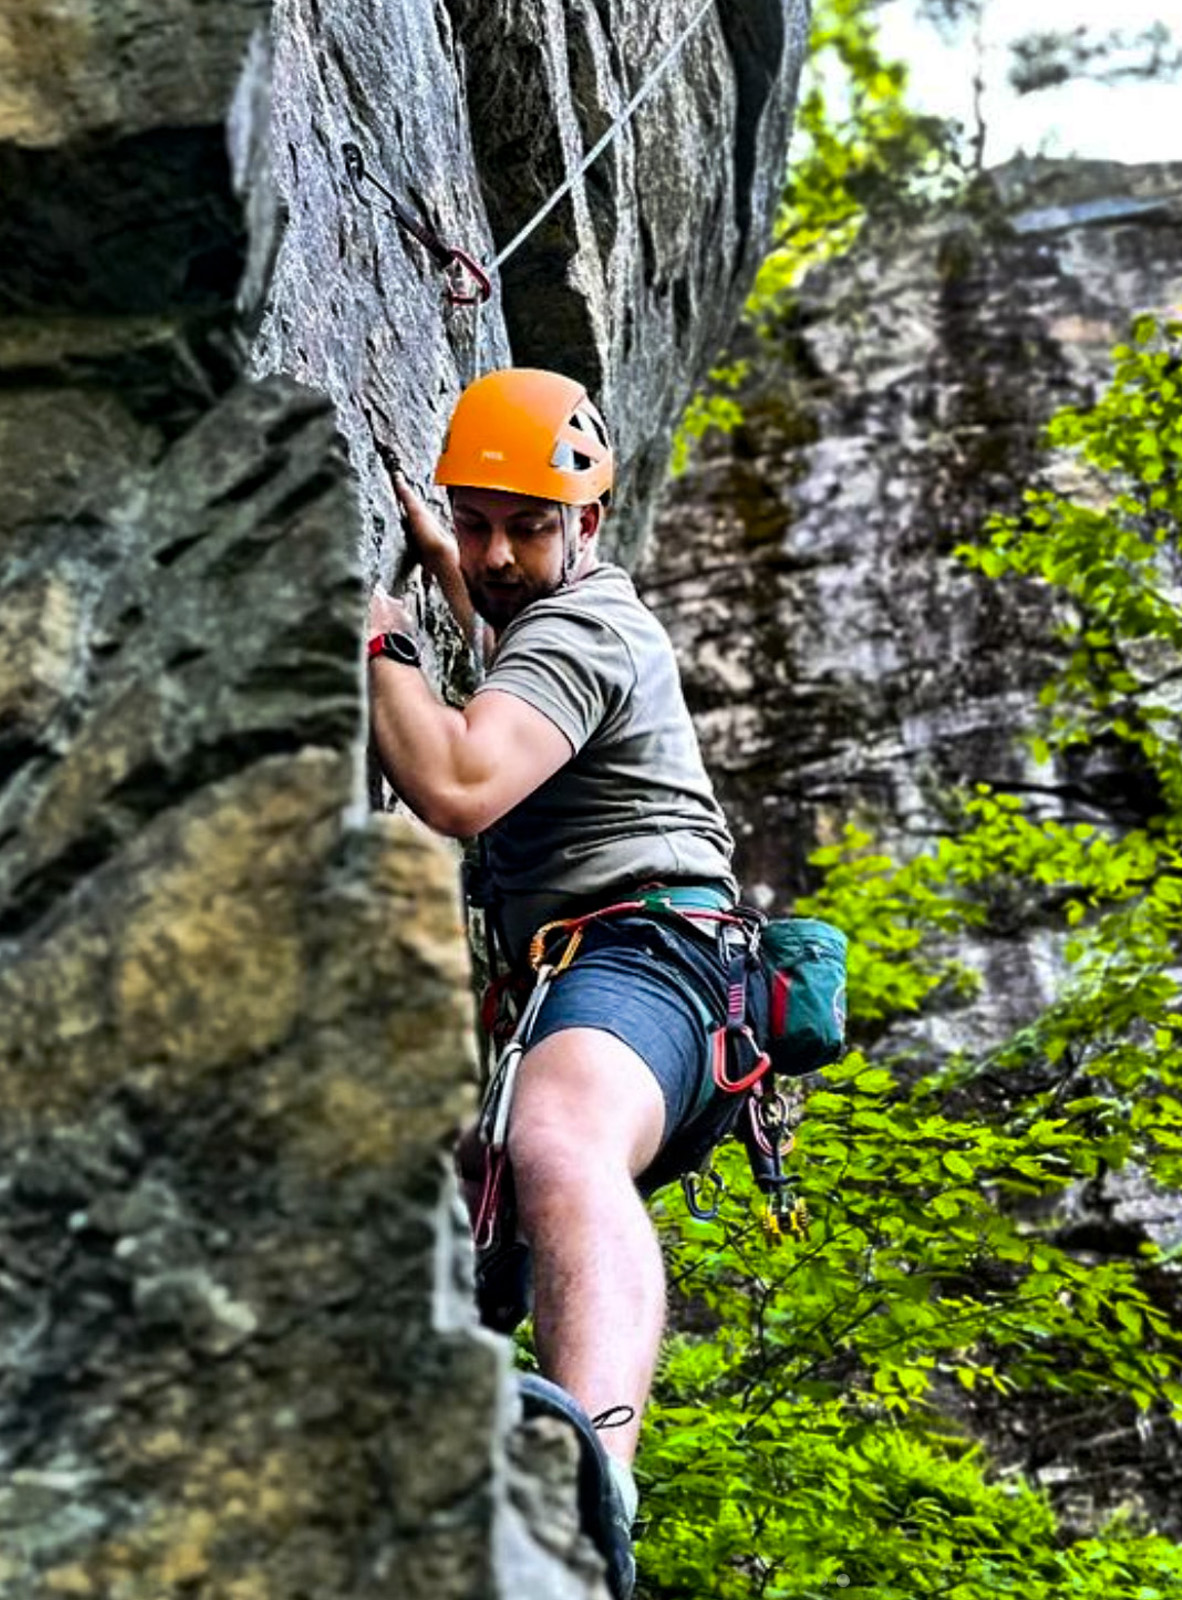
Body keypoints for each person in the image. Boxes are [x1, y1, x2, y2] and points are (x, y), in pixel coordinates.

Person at [366, 368, 745, 1599]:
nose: (498, 552)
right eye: (473, 520)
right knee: (461, 1220)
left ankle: (592, 1466)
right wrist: (444, 564)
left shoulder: (587, 625)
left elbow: (462, 782)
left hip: (649, 960)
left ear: (589, 522)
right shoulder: (537, 612)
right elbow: (508, 638)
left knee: (556, 1138)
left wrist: (375, 630)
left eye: (530, 525)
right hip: (598, 982)